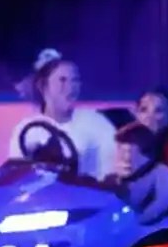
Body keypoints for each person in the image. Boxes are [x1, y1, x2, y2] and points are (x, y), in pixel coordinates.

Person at [8, 49, 118, 179]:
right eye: (62, 80)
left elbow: (111, 172)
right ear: (42, 86)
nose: (71, 87)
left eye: (75, 80)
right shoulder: (25, 129)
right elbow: (16, 176)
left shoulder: (96, 123)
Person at [109, 121, 168, 225]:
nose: (126, 157)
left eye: (133, 150)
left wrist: (136, 223)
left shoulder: (164, 176)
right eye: (122, 149)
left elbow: (158, 208)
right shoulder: (118, 177)